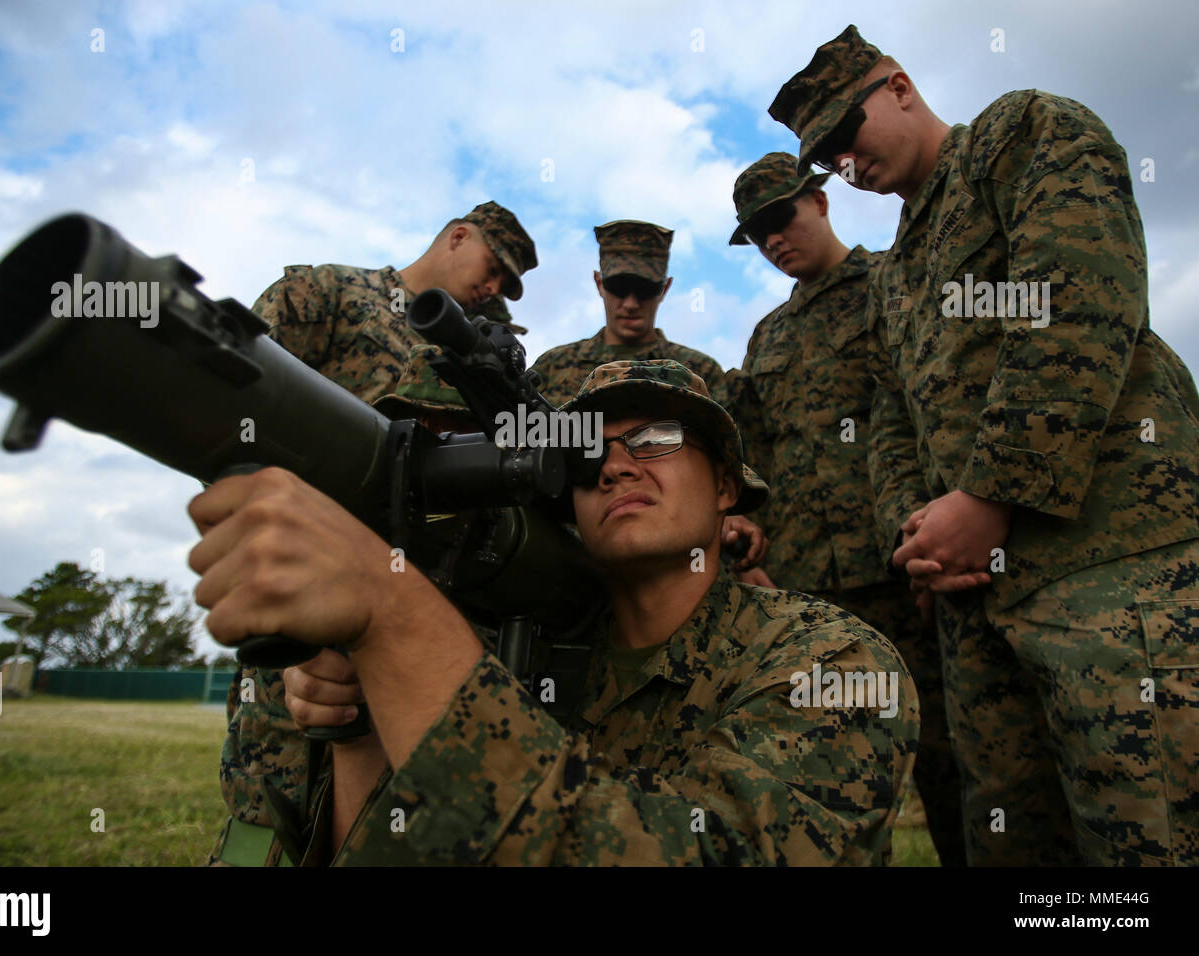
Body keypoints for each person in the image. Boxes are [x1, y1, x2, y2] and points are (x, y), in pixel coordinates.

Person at [188, 360, 920, 865]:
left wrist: (396, 614)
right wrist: (355, 736)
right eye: (585, 458)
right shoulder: (523, 648)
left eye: (657, 441)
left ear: (727, 486)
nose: (615, 465)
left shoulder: (831, 661)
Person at [770, 25, 1199, 865]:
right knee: (1016, 843)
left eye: (846, 134)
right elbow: (891, 418)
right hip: (978, 608)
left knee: (1147, 834)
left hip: (1107, 573)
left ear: (898, 86)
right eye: (828, 156)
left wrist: (990, 495)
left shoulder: (1022, 134)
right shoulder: (893, 275)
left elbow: (1079, 299)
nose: (846, 164)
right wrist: (920, 537)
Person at [208, 202, 538, 866]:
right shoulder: (327, 296)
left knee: (404, 817)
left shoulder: (477, 350)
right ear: (456, 236)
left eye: (509, 283)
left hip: (430, 608)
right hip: (301, 591)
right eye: (494, 267)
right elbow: (235, 400)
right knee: (267, 797)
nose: (495, 287)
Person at [726, 150, 965, 865]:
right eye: (756, 233)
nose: (773, 240)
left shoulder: (894, 284)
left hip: (907, 576)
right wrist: (749, 549)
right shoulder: (766, 337)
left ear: (821, 202)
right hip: (811, 599)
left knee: (958, 766)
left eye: (781, 218)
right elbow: (748, 463)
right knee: (826, 776)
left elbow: (937, 412)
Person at [530, 221, 726, 406]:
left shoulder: (703, 373)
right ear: (599, 283)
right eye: (619, 287)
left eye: (645, 289)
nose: (631, 304)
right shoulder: (551, 367)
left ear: (665, 289)